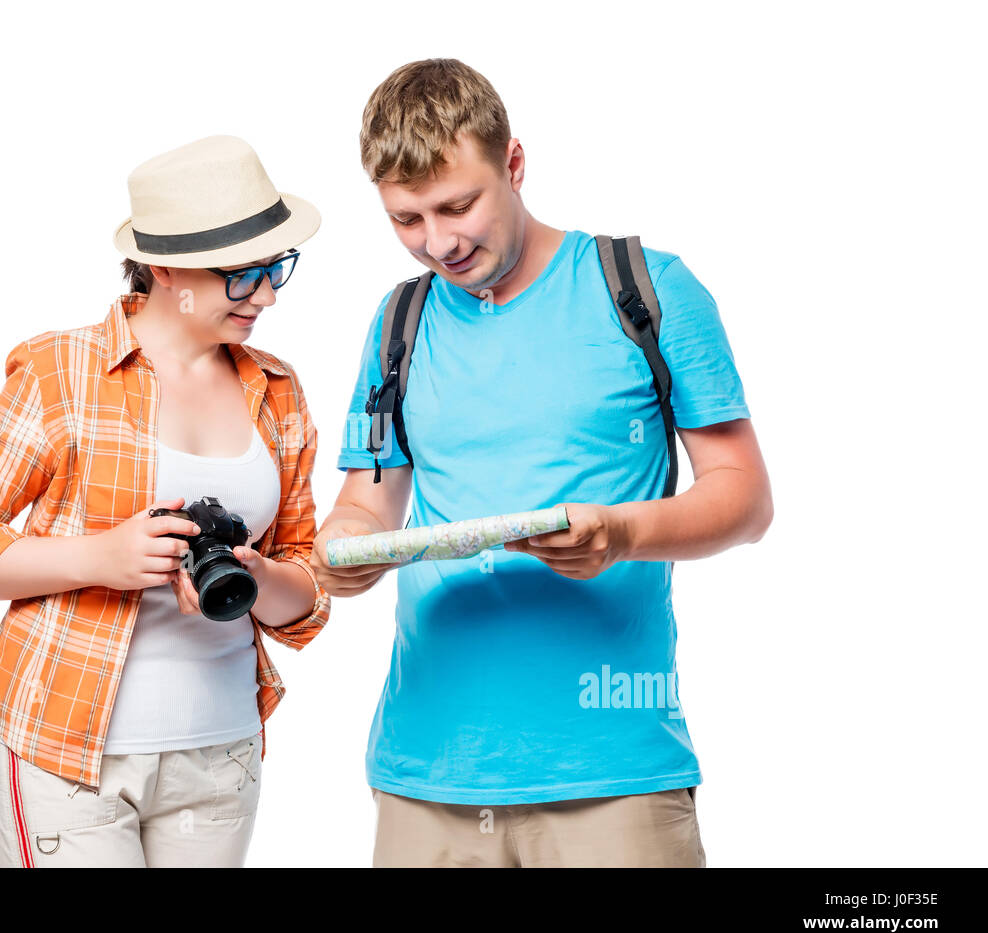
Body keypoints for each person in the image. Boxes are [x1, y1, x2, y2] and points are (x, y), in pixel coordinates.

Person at [311, 59, 773, 867]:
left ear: (515, 164)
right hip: (426, 775)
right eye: (406, 219)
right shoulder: (399, 319)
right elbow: (369, 501)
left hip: (614, 777)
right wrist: (342, 548)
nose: (440, 241)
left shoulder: (646, 288)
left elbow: (745, 498)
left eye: (459, 205)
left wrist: (621, 532)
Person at [0, 134, 330, 867]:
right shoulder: (61, 372)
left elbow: (309, 585)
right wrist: (99, 556)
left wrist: (255, 578)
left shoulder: (279, 390)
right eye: (242, 274)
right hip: (66, 753)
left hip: (220, 753)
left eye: (275, 268)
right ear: (166, 268)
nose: (265, 294)